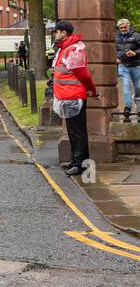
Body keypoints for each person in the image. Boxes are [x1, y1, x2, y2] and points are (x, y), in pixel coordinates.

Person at [51, 20, 98, 176]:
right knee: (73, 131)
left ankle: (80, 164)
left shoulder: (73, 49)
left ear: (64, 33)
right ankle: (75, 161)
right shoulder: (64, 49)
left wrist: (92, 90)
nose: (54, 34)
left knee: (78, 132)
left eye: (56, 31)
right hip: (66, 95)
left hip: (74, 95)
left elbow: (83, 74)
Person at [116, 18, 139, 121]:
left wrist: (135, 53)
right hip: (123, 66)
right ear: (119, 28)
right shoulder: (115, 37)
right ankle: (128, 109)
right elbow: (112, 49)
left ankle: (139, 109)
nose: (123, 29)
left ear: (129, 26)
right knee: (126, 87)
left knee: (138, 87)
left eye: (125, 27)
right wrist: (117, 57)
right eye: (121, 28)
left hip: (136, 65)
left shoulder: (136, 35)